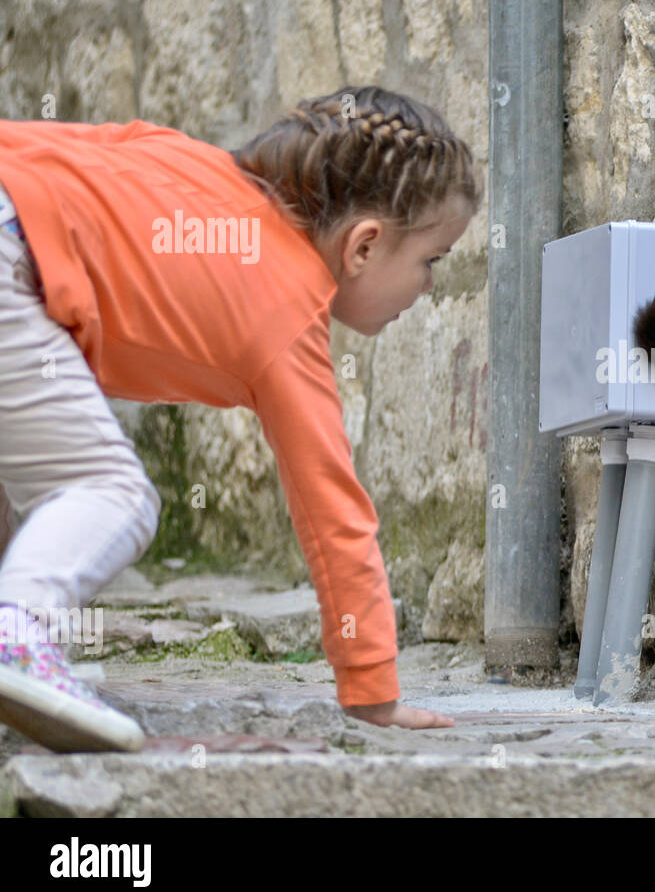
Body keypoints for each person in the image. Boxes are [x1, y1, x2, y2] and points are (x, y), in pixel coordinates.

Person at [0, 86, 477, 751]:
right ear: (364, 246)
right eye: (431, 261)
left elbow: (72, 148)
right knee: (113, 493)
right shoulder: (287, 315)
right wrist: (373, 691)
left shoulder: (190, 162)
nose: (431, 287)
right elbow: (334, 513)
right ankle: (18, 640)